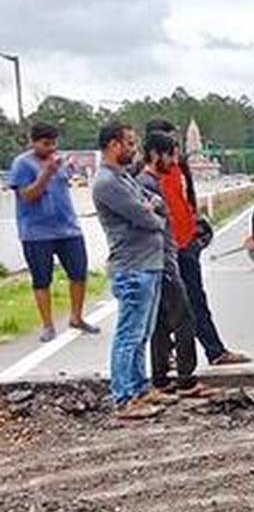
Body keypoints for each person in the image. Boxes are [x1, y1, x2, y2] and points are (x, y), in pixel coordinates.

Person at [144, 119, 251, 366]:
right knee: (164, 307)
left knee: (195, 300)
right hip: (165, 247)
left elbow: (187, 199)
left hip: (186, 243)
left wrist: (195, 227)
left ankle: (214, 350)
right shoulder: (144, 176)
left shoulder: (179, 166)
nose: (175, 150)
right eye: (169, 144)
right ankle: (166, 357)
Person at [92, 122, 167, 419]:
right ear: (113, 145)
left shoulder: (124, 178)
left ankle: (139, 388)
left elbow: (155, 204)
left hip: (148, 262)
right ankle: (124, 397)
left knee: (142, 333)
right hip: (133, 266)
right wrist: (153, 215)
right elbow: (146, 216)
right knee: (129, 335)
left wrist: (151, 210)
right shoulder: (107, 183)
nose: (134, 149)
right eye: (130, 144)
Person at [138, 132, 217, 398]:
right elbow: (154, 223)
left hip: (164, 255)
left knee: (160, 320)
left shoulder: (151, 181)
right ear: (155, 154)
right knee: (183, 317)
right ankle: (186, 379)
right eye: (170, 154)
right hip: (162, 257)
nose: (174, 160)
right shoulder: (148, 184)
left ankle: (161, 378)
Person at [7, 122, 100, 342]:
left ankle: (76, 317)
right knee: (42, 279)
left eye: (54, 143)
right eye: (45, 144)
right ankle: (47, 325)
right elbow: (28, 196)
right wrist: (46, 173)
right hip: (36, 232)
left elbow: (66, 183)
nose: (50, 148)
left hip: (67, 228)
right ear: (33, 142)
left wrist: (66, 167)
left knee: (79, 273)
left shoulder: (58, 160)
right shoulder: (22, 164)